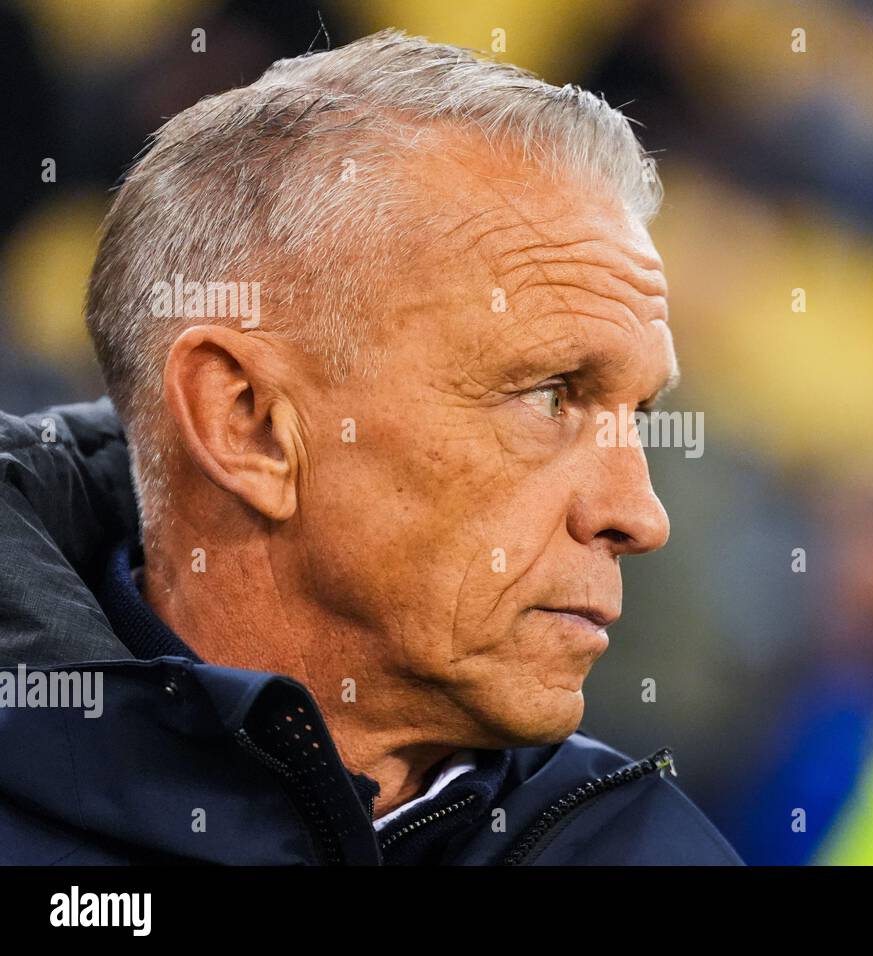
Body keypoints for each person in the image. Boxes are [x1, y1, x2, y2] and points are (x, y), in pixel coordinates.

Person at [0, 29, 741, 866]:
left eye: (637, 414)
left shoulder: (651, 847)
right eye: (548, 395)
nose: (640, 517)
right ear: (247, 422)